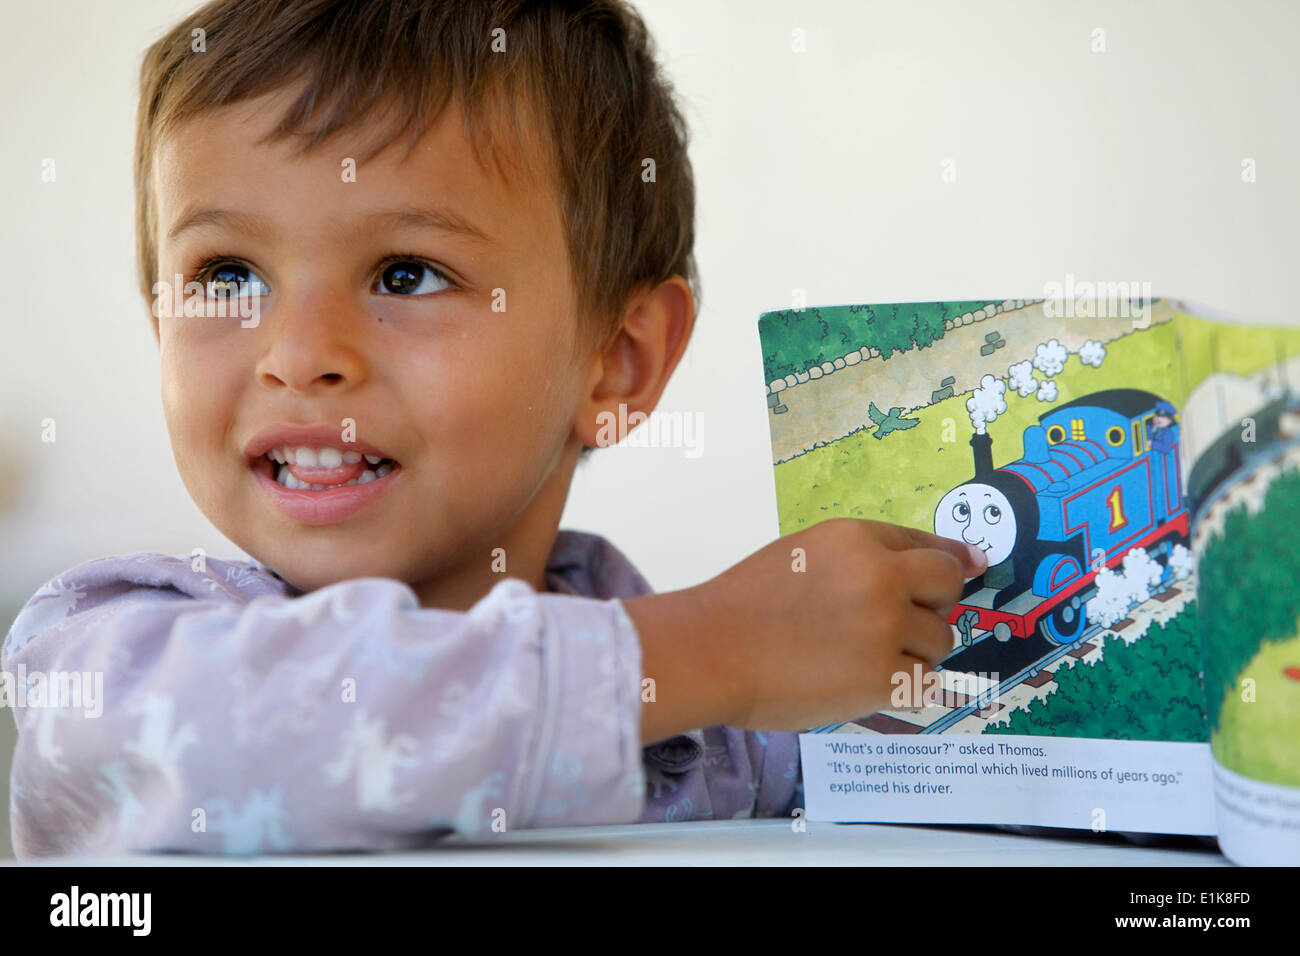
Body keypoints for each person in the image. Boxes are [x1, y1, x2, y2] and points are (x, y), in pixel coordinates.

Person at [3, 0, 983, 857]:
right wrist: (716, 647)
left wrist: (919, 681)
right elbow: (257, 733)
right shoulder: (107, 661)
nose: (297, 353)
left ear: (618, 361)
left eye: (405, 273)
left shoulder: (715, 733)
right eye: (228, 276)